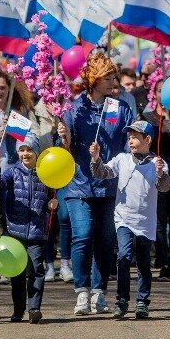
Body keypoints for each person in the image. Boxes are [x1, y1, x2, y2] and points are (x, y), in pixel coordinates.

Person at [57, 52, 134, 316]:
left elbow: (128, 144)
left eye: (114, 77)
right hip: (79, 183)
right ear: (94, 80)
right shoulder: (74, 108)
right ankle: (81, 291)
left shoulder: (121, 108)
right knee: (82, 235)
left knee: (105, 239)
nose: (114, 82)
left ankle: (99, 292)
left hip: (110, 184)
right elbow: (64, 148)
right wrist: (64, 137)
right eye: (108, 78)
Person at [90, 120, 170, 319]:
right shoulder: (122, 159)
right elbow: (102, 173)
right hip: (123, 218)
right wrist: (95, 158)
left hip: (145, 221)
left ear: (148, 140)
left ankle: (142, 301)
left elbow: (165, 187)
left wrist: (161, 173)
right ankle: (122, 300)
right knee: (124, 256)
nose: (131, 141)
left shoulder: (157, 163)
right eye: (129, 137)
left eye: (135, 137)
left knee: (143, 262)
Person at [0, 132, 55, 324]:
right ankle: (18, 309)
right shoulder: (12, 172)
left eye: (29, 150)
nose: (25, 153)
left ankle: (34, 308)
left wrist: (52, 205)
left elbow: (49, 200)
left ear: (37, 152)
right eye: (22, 150)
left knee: (36, 269)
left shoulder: (45, 174)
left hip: (37, 231)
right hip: (15, 231)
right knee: (18, 273)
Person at [142, 81, 170, 280]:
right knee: (159, 219)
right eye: (160, 90)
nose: (163, 94)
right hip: (157, 173)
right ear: (154, 93)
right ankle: (164, 259)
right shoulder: (148, 118)